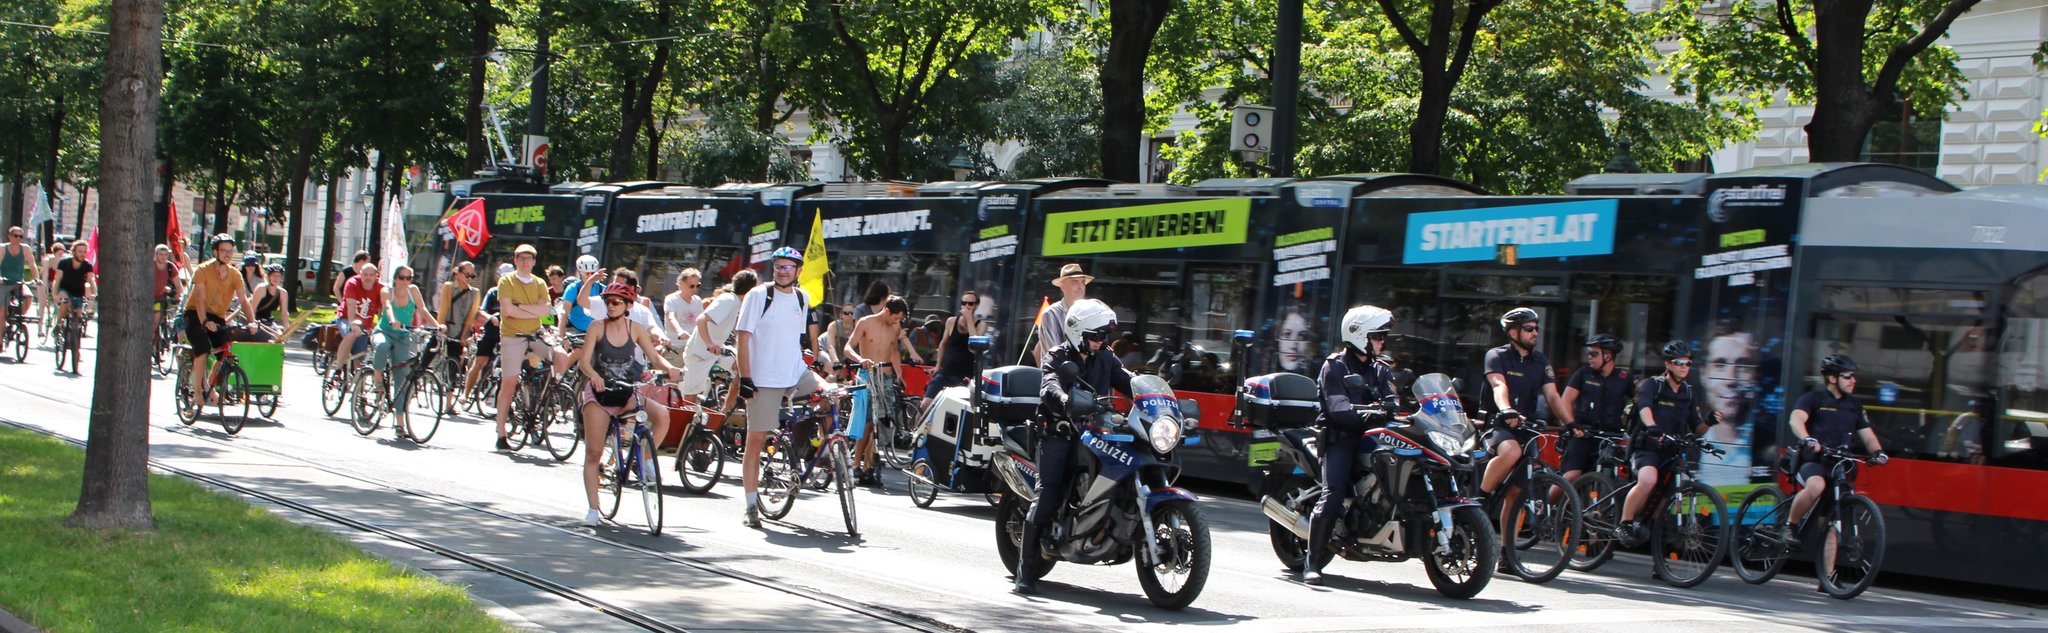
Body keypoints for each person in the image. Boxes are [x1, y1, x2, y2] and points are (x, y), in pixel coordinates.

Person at [1014, 298, 1130, 595]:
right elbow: (1049, 384)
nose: (1101, 342)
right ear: (1079, 333)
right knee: (1048, 491)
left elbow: (1127, 380)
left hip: (1096, 431)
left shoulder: (1106, 356)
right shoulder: (1058, 354)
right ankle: (1025, 570)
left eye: (1105, 336)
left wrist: (1151, 389)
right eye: (1096, 336)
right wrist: (1064, 400)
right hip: (1060, 431)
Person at [1298, 305, 1399, 585]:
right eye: (1378, 335)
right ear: (1360, 334)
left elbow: (1393, 401)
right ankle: (1313, 562)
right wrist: (1366, 412)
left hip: (1373, 438)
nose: (1382, 341)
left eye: (1383, 336)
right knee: (1333, 493)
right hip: (1341, 438)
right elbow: (1337, 406)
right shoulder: (1335, 366)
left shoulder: (1381, 368)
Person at [576, 283, 682, 526]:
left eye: (616, 302)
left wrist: (670, 368)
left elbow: (654, 357)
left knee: (662, 415)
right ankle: (593, 509)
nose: (611, 306)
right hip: (600, 395)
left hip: (626, 392)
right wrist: (594, 375)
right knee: (593, 453)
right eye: (608, 302)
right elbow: (584, 361)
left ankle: (644, 458)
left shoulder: (634, 328)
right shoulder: (596, 327)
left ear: (628, 306)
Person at [735, 246, 823, 528]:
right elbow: (743, 338)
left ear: (798, 271)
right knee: (756, 440)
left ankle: (813, 448)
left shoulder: (802, 297)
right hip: (764, 378)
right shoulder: (759, 295)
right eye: (778, 267)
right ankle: (751, 506)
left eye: (787, 267)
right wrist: (746, 379)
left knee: (831, 397)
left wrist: (819, 360)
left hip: (794, 373)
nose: (782, 271)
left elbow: (795, 339)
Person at [1617, 340, 1715, 546]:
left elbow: (1697, 428)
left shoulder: (1689, 393)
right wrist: (1652, 427)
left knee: (1665, 502)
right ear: (1668, 364)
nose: (1684, 367)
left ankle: (1658, 558)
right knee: (1648, 480)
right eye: (1679, 362)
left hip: (1671, 452)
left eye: (1688, 363)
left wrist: (1709, 422)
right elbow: (1644, 407)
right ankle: (1624, 524)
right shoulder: (1652, 385)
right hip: (1648, 448)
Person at [1784, 354, 1888, 540]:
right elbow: (1796, 420)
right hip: (1813, 462)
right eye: (1847, 376)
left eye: (1853, 376)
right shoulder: (1813, 398)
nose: (1853, 380)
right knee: (1816, 486)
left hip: (1838, 468)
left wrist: (1878, 452)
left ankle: (1828, 570)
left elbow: (1868, 435)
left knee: (1830, 524)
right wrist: (1808, 438)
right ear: (1832, 378)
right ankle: (1790, 526)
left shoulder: (1854, 406)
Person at [1478, 307, 1572, 505]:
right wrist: (1506, 409)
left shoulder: (1540, 362)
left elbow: (1553, 396)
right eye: (1529, 329)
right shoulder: (1496, 355)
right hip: (1498, 424)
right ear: (1514, 332)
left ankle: (1507, 538)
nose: (1535, 333)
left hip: (1524, 427)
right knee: (1512, 452)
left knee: (1515, 496)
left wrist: (1571, 424)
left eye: (1536, 328)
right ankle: (1479, 502)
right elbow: (1498, 385)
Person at [843, 296, 913, 487]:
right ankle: (855, 463)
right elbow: (848, 347)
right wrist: (860, 359)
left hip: (886, 377)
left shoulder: (894, 328)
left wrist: (899, 375)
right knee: (866, 422)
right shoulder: (865, 322)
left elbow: (894, 351)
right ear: (887, 311)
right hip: (868, 374)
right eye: (896, 318)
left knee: (881, 423)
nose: (897, 322)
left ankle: (869, 466)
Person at [495, 245, 554, 450]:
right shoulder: (507, 280)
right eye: (521, 258)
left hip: (536, 334)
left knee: (562, 358)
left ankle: (544, 403)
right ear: (516, 261)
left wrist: (521, 307)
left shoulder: (539, 283)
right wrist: (533, 311)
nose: (525, 262)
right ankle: (501, 434)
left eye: (529, 259)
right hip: (512, 335)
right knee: (509, 382)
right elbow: (507, 311)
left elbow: (547, 310)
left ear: (534, 261)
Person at [676, 271, 756, 419]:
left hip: (715, 353)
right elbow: (701, 320)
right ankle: (681, 435)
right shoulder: (728, 300)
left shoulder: (736, 303)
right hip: (699, 354)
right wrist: (709, 344)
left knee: (742, 369)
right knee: (689, 402)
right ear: (750, 290)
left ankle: (723, 413)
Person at [185, 234, 254, 402]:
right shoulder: (203, 270)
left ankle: (208, 385)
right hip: (195, 313)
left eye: (231, 251)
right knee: (202, 347)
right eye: (224, 250)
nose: (228, 254)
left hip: (217, 316)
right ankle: (197, 393)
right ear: (215, 251)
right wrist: (204, 322)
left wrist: (252, 321)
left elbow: (244, 300)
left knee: (225, 350)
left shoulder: (235, 274)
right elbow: (200, 299)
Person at [373, 265, 440, 437]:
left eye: (408, 278)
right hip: (385, 332)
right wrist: (393, 320)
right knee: (382, 346)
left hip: (403, 336)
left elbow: (423, 309)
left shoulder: (413, 290)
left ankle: (400, 423)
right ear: (395, 278)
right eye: (402, 278)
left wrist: (437, 325)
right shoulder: (387, 291)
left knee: (402, 377)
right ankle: (378, 378)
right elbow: (387, 306)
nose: (405, 281)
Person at [1557, 333, 1634, 483]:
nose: (1589, 357)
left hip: (1610, 437)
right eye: (1589, 353)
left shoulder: (1624, 378)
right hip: (1582, 434)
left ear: (1608, 356)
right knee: (1571, 475)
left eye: (1594, 354)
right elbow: (1565, 401)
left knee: (1610, 478)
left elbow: (1639, 403)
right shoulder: (1583, 373)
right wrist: (1572, 426)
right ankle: (1545, 507)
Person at [463, 263, 512, 410]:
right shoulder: (493, 292)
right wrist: (491, 317)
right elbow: (482, 310)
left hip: (507, 333)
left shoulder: (515, 293)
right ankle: (465, 394)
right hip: (491, 332)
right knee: (479, 362)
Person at [926, 292, 988, 401]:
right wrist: (937, 365)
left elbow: (975, 343)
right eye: (964, 303)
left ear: (976, 306)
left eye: (970, 303)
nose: (967, 306)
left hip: (965, 376)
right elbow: (943, 344)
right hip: (946, 372)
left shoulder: (981, 325)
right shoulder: (951, 321)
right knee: (926, 403)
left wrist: (969, 319)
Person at [558, 255, 607, 371]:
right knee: (580, 350)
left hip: (593, 331)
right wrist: (562, 335)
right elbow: (564, 313)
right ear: (580, 273)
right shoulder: (573, 288)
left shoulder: (603, 289)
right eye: (587, 274)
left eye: (593, 273)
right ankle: (558, 374)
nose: (591, 277)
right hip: (575, 329)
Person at [1034, 263, 1092, 362]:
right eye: (1075, 282)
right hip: (1059, 375)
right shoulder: (1051, 314)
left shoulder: (1090, 312)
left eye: (1082, 282)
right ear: (1062, 286)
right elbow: (1057, 354)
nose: (1080, 286)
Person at [435, 261, 483, 376]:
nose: (469, 278)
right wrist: (440, 329)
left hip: (459, 332)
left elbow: (471, 316)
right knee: (427, 357)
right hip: (444, 327)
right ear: (458, 273)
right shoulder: (449, 287)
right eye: (467, 275)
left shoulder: (475, 293)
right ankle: (416, 378)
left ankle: (450, 392)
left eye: (472, 276)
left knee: (454, 366)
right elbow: (443, 310)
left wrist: (463, 335)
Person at [335, 262, 384, 373]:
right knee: (352, 333)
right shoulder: (352, 283)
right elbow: (351, 305)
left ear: (376, 276)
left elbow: (381, 311)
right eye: (365, 274)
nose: (368, 277)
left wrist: (380, 327)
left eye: (371, 275)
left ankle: (358, 385)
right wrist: (352, 324)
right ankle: (338, 368)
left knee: (359, 357)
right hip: (346, 317)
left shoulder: (380, 288)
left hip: (365, 324)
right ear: (360, 274)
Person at [51, 240, 97, 342]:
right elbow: (57, 278)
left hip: (78, 291)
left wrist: (94, 294)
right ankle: (58, 324)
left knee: (79, 318)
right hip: (65, 289)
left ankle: (75, 346)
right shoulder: (64, 262)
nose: (82, 254)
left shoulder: (87, 265)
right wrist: (54, 294)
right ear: (74, 252)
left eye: (84, 252)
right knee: (65, 302)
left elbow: (91, 280)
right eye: (80, 251)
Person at [661, 268, 704, 367]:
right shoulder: (671, 299)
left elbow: (702, 321)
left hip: (693, 348)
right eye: (691, 286)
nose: (695, 289)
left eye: (697, 285)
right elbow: (670, 317)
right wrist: (680, 331)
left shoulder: (697, 300)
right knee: (673, 380)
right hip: (675, 347)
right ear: (681, 283)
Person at [0, 227, 32, 351]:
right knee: (1, 312)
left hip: (19, 282)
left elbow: (32, 264)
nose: (18, 238)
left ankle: (17, 317)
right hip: (4, 282)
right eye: (15, 236)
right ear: (9, 236)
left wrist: (37, 279)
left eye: (20, 236)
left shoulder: (25, 249)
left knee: (29, 296)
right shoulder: (3, 248)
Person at [246, 264, 291, 341]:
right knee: (263, 337)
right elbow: (252, 309)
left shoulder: (283, 293)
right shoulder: (261, 288)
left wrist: (287, 328)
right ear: (269, 277)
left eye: (278, 276)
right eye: (274, 276)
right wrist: (252, 323)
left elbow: (284, 313)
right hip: (256, 321)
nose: (276, 278)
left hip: (268, 322)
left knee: (279, 337)